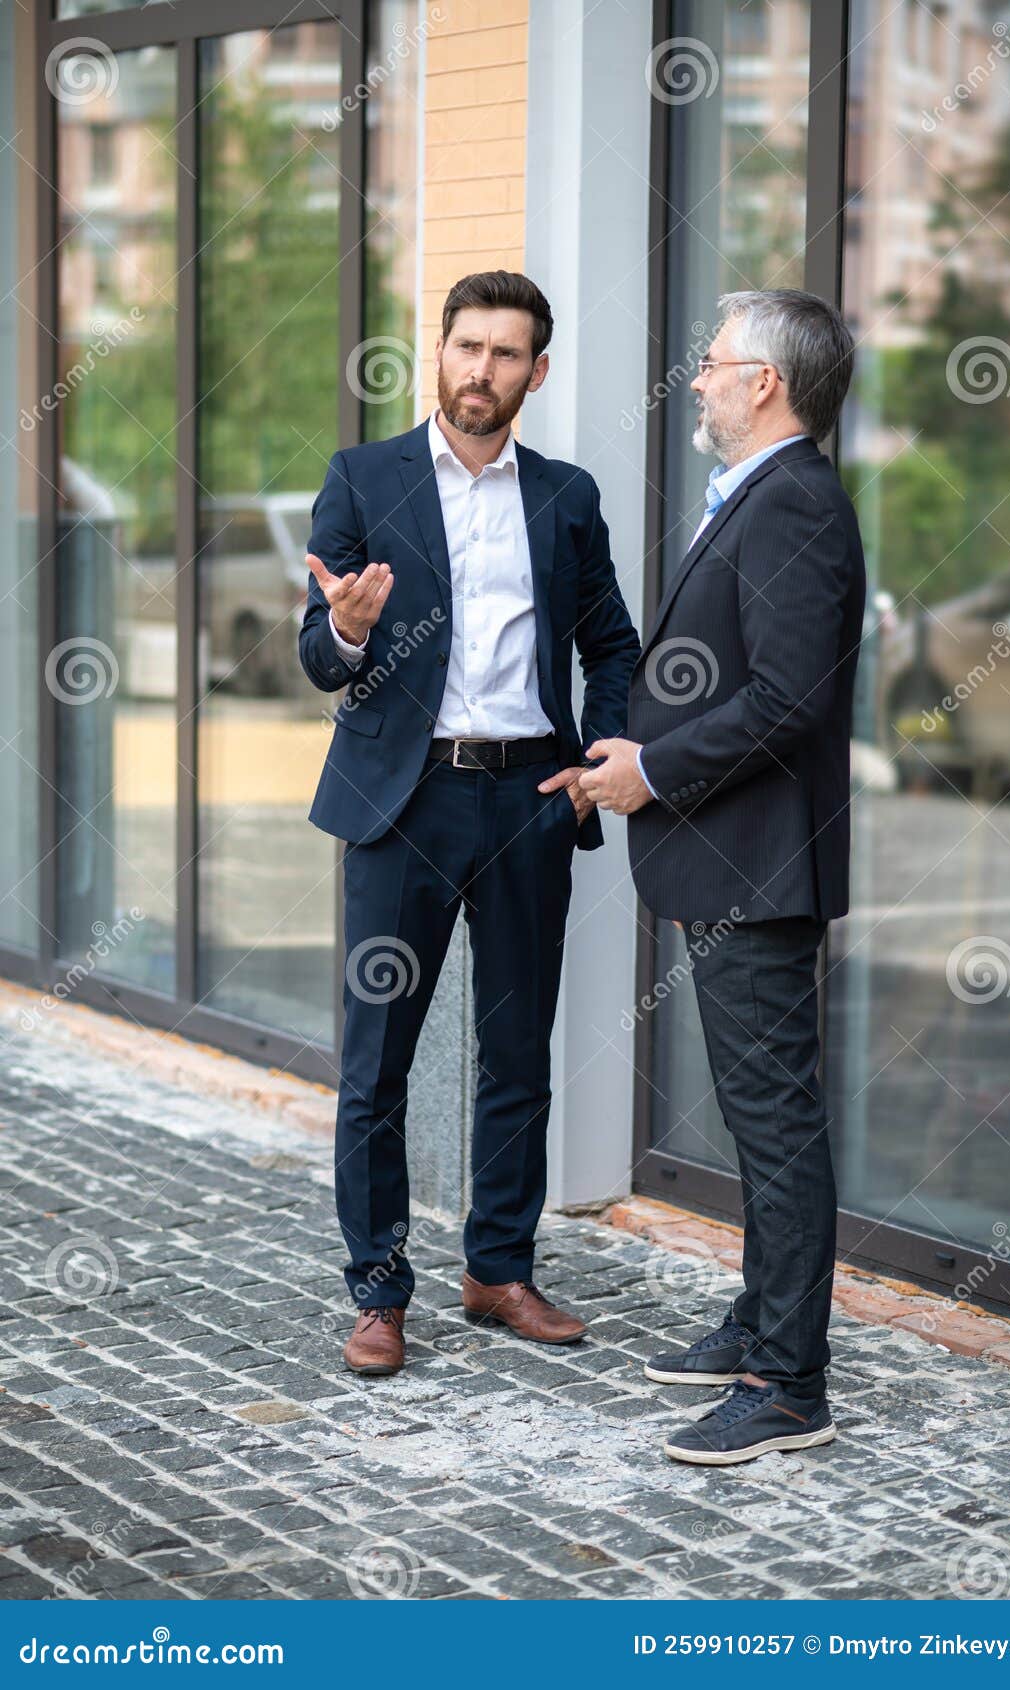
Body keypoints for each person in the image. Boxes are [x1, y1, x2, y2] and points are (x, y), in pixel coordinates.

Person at [299, 270, 641, 1377]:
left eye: (504, 354)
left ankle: (497, 1269)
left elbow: (614, 645)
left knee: (517, 1053)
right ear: (435, 354)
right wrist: (348, 634)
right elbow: (317, 653)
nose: (479, 370)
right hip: (404, 803)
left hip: (529, 802)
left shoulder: (567, 495)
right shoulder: (364, 477)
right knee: (377, 1063)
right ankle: (378, 1290)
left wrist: (598, 758)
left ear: (535, 373)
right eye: (465, 347)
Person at [580, 288, 867, 1463]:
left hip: (758, 869)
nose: (695, 382)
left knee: (777, 1122)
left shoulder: (793, 501)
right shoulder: (766, 494)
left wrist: (654, 769)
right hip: (729, 864)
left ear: (767, 384)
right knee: (762, 1119)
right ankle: (760, 1318)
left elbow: (788, 700)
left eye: (712, 364)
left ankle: (790, 1383)